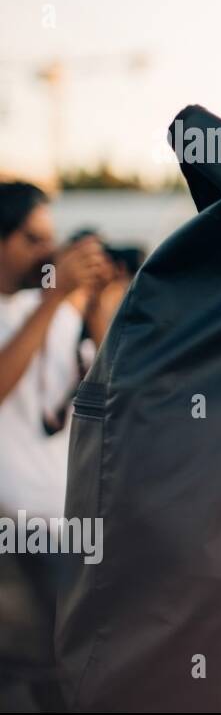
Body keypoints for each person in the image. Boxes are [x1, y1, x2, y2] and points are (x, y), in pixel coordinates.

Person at [0, 182, 117, 520]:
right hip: (15, 526)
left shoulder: (50, 308)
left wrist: (96, 310)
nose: (48, 253)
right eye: (34, 240)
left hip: (64, 511)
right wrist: (54, 296)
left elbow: (112, 388)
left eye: (51, 239)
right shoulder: (48, 305)